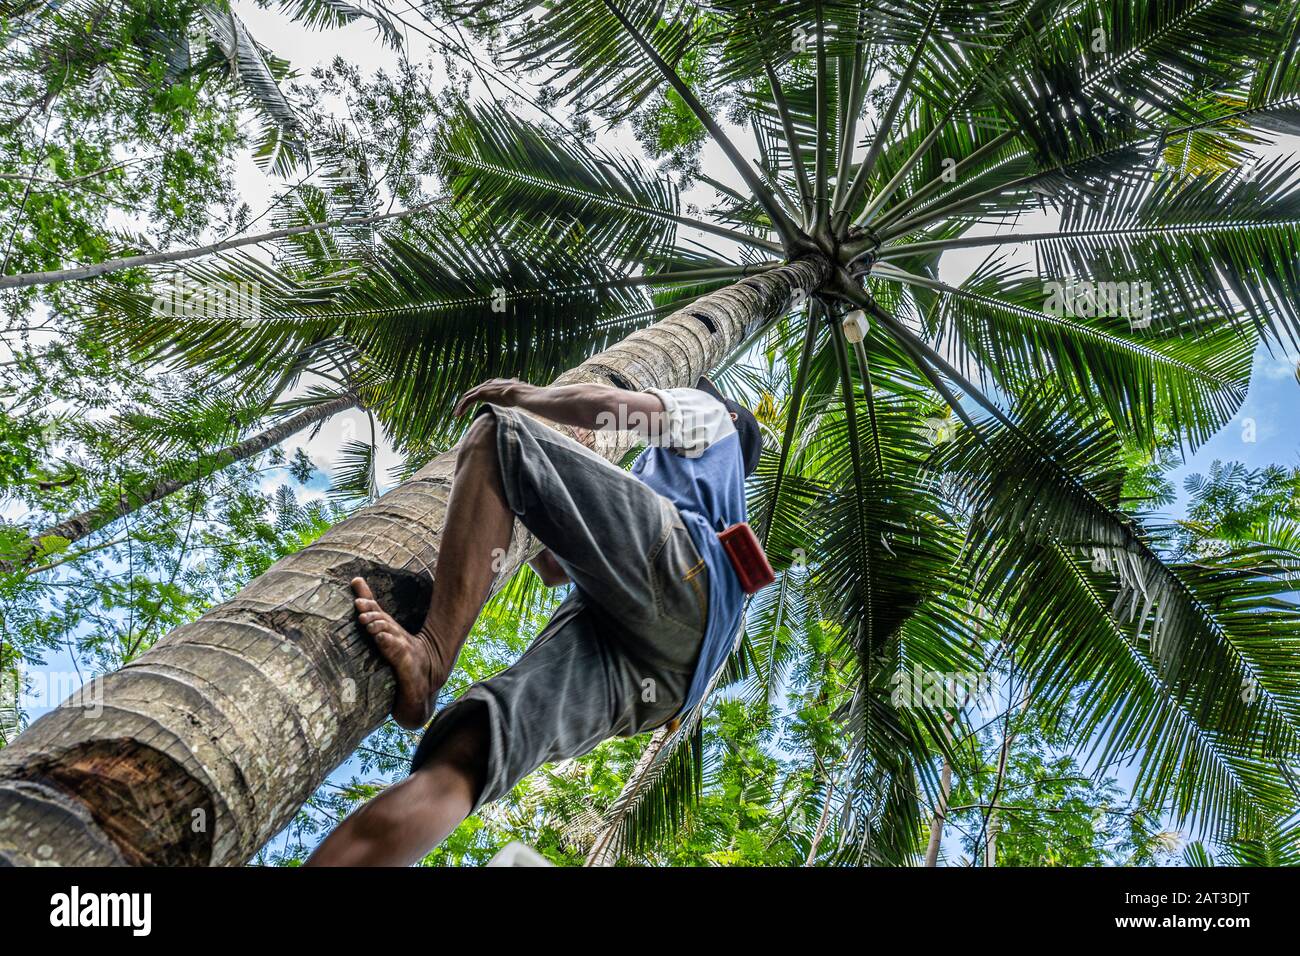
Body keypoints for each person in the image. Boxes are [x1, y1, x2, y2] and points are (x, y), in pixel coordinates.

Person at [306, 375, 761, 865]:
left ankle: (433, 656)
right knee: (468, 756)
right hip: (669, 679)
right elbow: (554, 567)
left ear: (730, 416)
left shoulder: (715, 420)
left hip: (684, 577)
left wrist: (520, 395)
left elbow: (613, 407)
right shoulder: (704, 495)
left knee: (499, 435)